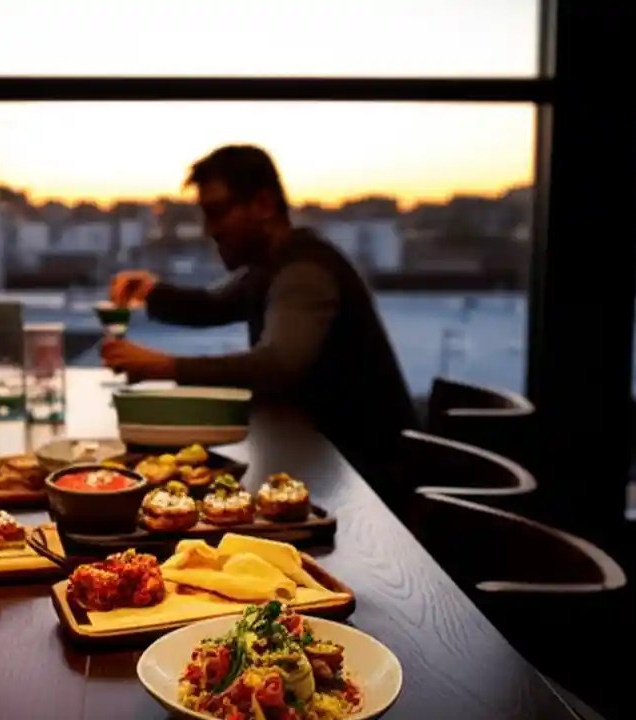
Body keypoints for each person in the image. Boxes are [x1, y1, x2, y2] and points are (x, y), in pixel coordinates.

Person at [102, 144, 418, 498]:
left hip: (364, 482)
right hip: (322, 463)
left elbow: (278, 364)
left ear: (264, 205)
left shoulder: (304, 270)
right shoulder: (272, 265)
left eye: (218, 212)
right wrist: (151, 291)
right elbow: (211, 304)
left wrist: (163, 366)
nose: (209, 230)